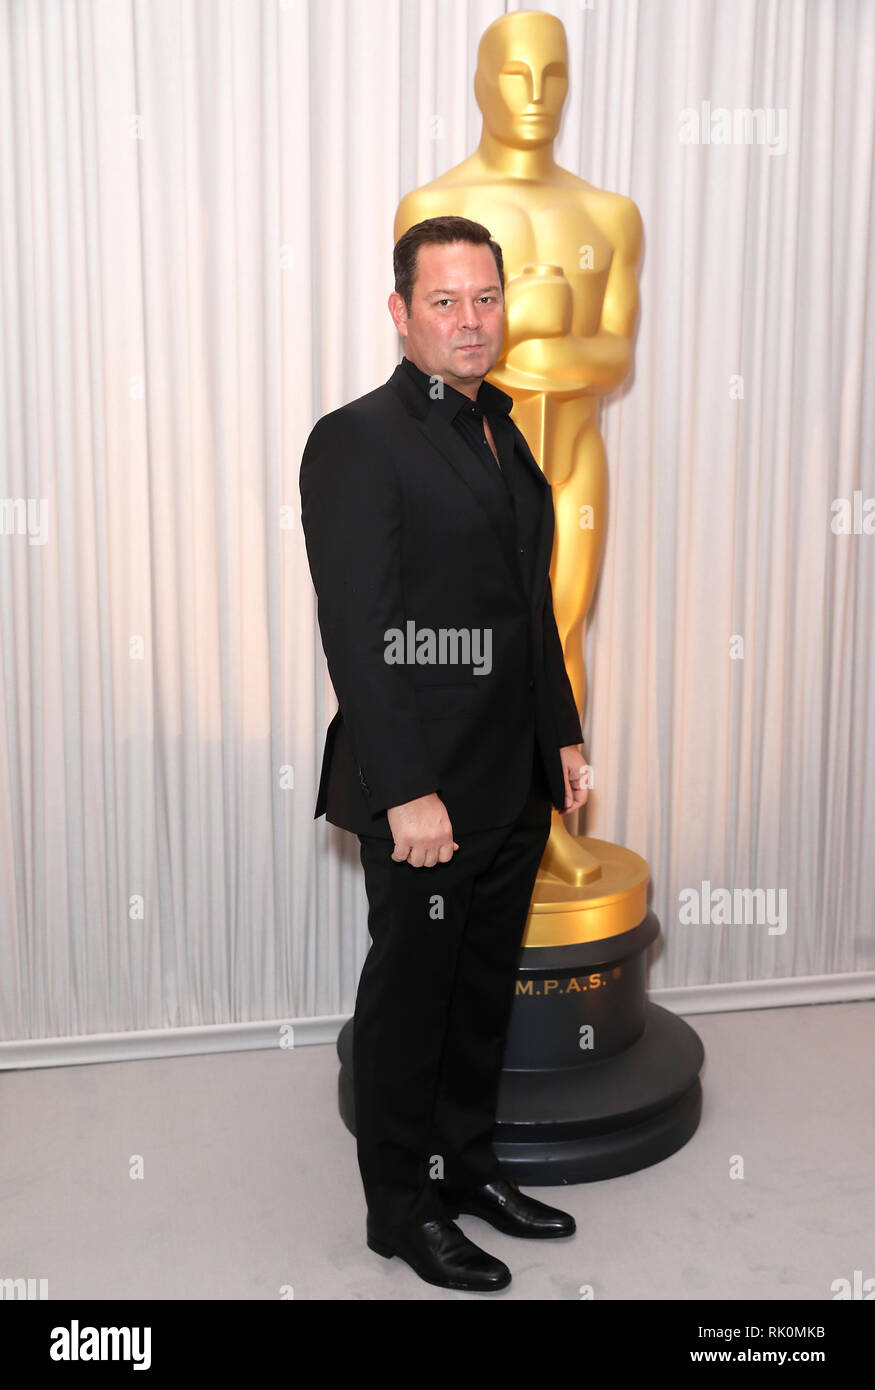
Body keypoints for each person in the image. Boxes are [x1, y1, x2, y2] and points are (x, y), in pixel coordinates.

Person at [299, 215, 588, 1293]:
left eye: (483, 299)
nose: (468, 322)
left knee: (477, 993)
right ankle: (401, 1210)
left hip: (509, 778)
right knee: (412, 1003)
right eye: (443, 301)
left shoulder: (500, 432)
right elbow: (359, 635)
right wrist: (408, 789)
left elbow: (528, 608)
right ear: (399, 313)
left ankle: (465, 1170)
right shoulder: (357, 439)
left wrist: (557, 733)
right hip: (424, 791)